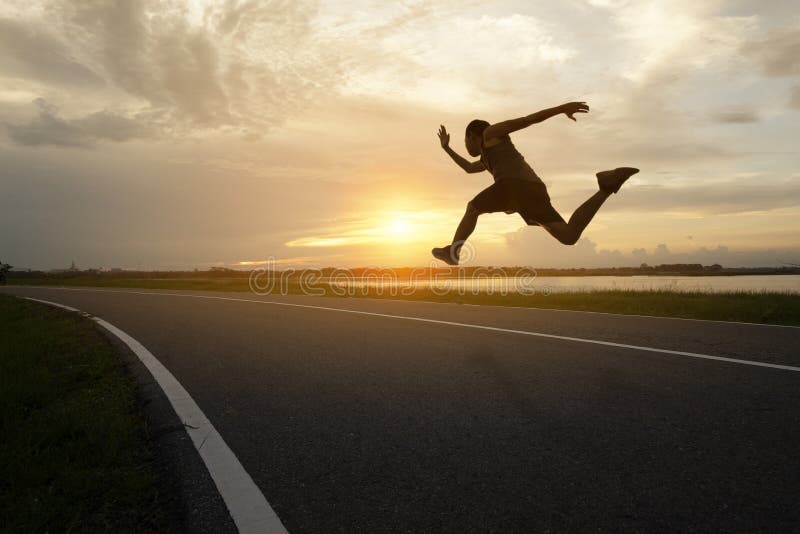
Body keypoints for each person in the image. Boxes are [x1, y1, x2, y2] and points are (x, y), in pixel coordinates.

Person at [432, 102, 638, 265]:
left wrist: (561, 109)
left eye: (465, 141)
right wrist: (446, 148)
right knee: (569, 236)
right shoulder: (487, 158)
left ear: (472, 136)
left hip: (515, 186)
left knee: (472, 208)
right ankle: (606, 187)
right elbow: (469, 167)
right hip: (532, 191)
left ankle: (453, 252)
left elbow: (527, 120)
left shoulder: (490, 134)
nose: (466, 146)